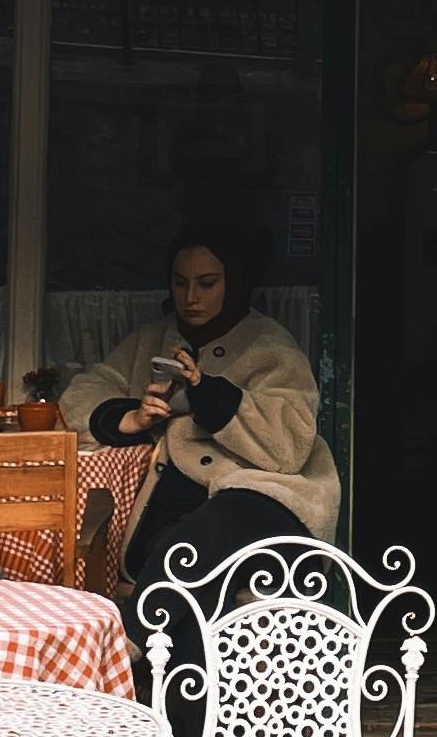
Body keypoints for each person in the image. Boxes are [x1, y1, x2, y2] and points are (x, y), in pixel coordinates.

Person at [60, 231, 338, 593]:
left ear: (234, 283)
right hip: (173, 513)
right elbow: (79, 396)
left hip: (262, 505)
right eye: (180, 283)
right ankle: (145, 644)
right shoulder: (153, 339)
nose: (191, 298)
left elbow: (289, 446)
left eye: (207, 284)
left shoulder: (270, 344)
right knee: (178, 563)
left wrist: (209, 392)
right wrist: (132, 418)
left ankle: (132, 642)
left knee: (205, 539)